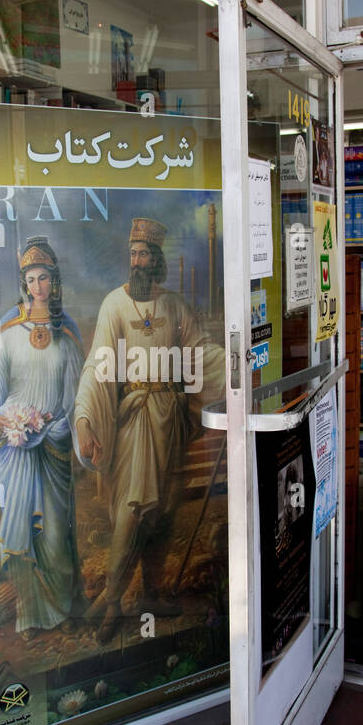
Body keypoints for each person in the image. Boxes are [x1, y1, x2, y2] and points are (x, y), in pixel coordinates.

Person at [74, 217, 224, 643]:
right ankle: (115, 601)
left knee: (164, 512)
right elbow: (97, 365)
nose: (137, 262)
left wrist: (233, 362)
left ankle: (152, 594)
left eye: (145, 255)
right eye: (133, 254)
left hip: (169, 421)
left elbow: (200, 352)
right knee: (131, 511)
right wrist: (85, 418)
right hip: (134, 421)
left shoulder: (175, 306)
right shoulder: (113, 306)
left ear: (156, 261)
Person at [0, 237, 84, 639]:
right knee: (18, 535)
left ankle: (61, 612)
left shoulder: (66, 336)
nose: (37, 286)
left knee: (53, 535)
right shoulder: (9, 334)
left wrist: (57, 428)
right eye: (31, 279)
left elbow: (74, 397)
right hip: (14, 449)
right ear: (24, 284)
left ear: (54, 282)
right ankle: (30, 616)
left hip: (53, 446)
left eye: (44, 278)